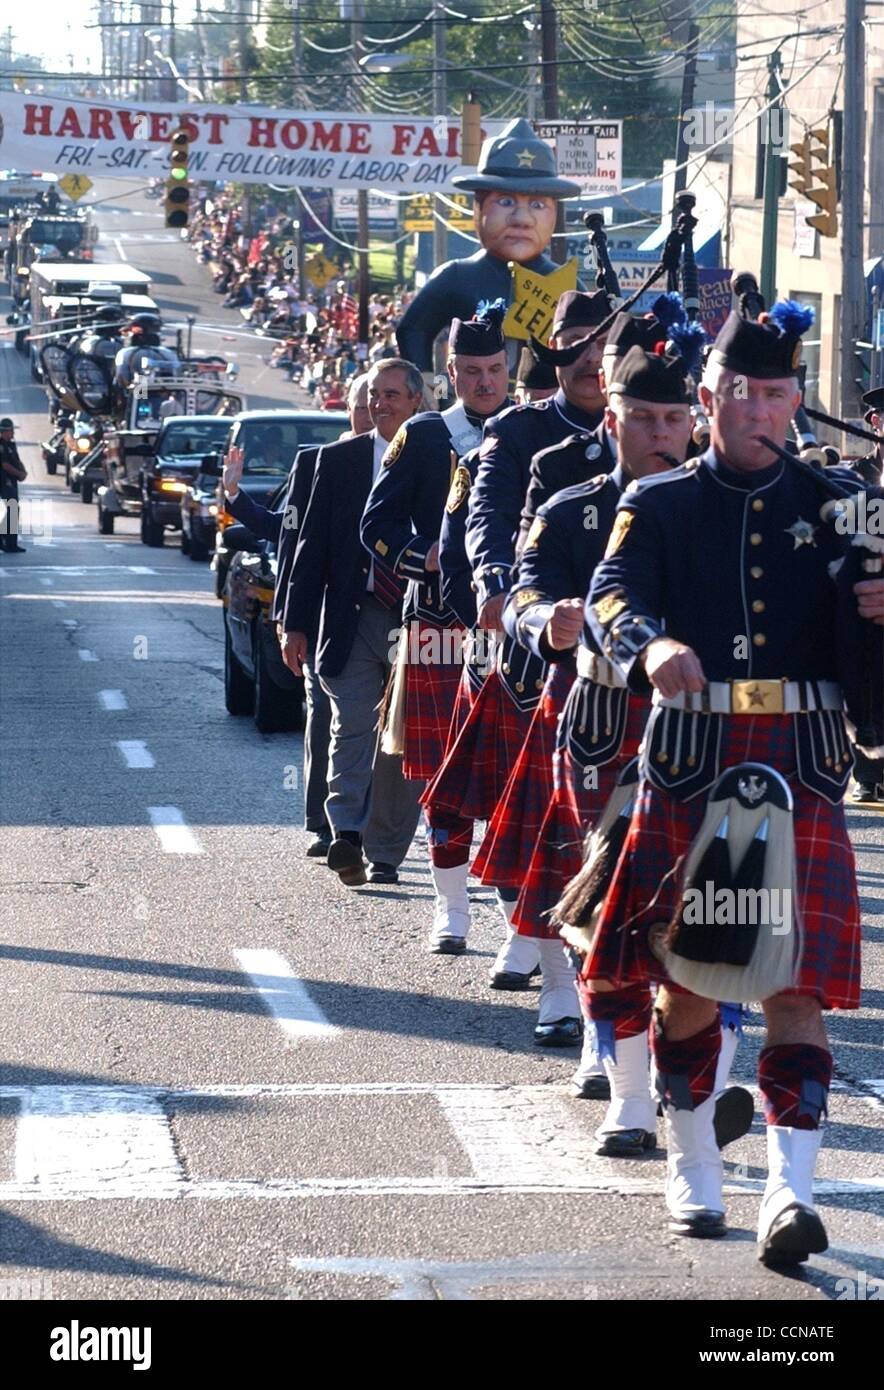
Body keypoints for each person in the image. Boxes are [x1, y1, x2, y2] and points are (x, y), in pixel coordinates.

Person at [583, 300, 883, 1261]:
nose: (762, 408)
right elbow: (609, 596)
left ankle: (791, 1196)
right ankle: (696, 1170)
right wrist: (649, 643)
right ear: (709, 398)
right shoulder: (660, 502)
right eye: (743, 393)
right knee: (692, 983)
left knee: (797, 989)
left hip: (801, 762)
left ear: (798, 400)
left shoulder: (841, 505)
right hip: (696, 760)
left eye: (779, 393)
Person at [421, 289, 615, 1001]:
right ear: (556, 353)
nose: (594, 359)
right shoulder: (516, 431)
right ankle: (524, 930)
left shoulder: (660, 432)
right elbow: (488, 519)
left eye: (605, 344)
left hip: (630, 660)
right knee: (517, 814)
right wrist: (496, 591)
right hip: (529, 651)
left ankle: (556, 953)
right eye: (579, 345)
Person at [360, 302, 511, 950]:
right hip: (437, 627)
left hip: (512, 629)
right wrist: (421, 553)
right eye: (472, 370)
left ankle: (521, 923)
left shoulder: (532, 433)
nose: (484, 382)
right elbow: (375, 526)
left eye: (495, 369)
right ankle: (450, 911)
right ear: (450, 371)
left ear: (511, 369)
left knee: (512, 777)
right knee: (445, 775)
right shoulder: (423, 437)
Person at [280, 360, 426, 887]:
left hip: (416, 618)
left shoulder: (437, 454)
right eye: (375, 395)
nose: (381, 404)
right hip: (353, 614)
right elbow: (309, 546)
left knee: (402, 734)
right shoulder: (338, 461)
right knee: (352, 720)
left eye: (392, 395)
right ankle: (346, 832)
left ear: (416, 402)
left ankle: (385, 851)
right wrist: (294, 623)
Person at [396, 119, 582, 372]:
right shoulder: (456, 277)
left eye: (537, 205)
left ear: (555, 214)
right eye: (505, 202)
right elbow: (413, 331)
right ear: (478, 209)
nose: (522, 219)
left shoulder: (567, 287)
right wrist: (435, 393)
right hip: (472, 408)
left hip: (542, 408)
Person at [0, 417, 27, 553]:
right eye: (10, 431)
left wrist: (23, 471)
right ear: (4, 432)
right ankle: (4, 537)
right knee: (13, 508)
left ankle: (11, 543)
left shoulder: (11, 444)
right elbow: (5, 465)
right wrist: (18, 473)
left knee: (14, 509)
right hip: (4, 480)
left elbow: (16, 460)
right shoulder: (1, 445)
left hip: (12, 480)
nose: (12, 433)